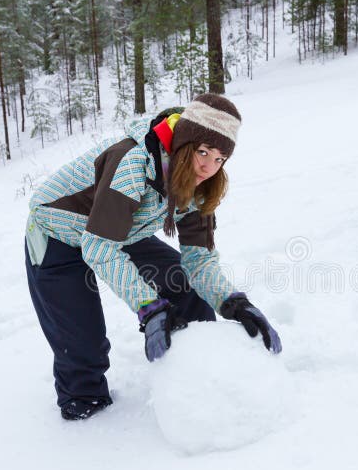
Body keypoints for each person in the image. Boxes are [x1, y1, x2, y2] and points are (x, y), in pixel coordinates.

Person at [25, 93, 282, 420]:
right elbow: (99, 249)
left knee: (185, 285)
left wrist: (234, 302)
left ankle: (199, 367)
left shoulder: (199, 184)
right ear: (184, 144)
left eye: (220, 159)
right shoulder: (131, 164)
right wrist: (149, 307)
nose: (208, 167)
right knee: (83, 348)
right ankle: (84, 412)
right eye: (203, 152)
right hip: (56, 233)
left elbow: (199, 261)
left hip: (117, 229)